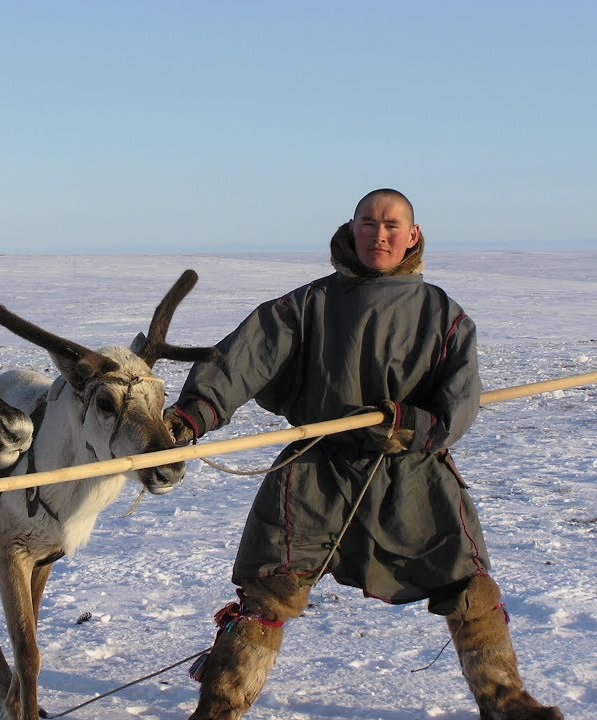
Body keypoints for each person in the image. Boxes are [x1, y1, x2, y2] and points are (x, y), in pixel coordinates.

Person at [163, 188, 562, 720]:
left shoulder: (443, 314)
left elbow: (457, 404)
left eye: (392, 225)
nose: (380, 234)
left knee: (469, 586)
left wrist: (412, 423)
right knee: (268, 590)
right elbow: (243, 361)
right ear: (351, 229)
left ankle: (508, 704)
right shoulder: (307, 305)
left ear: (412, 236)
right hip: (315, 470)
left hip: (411, 473)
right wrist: (191, 417)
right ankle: (219, 709)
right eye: (368, 223)